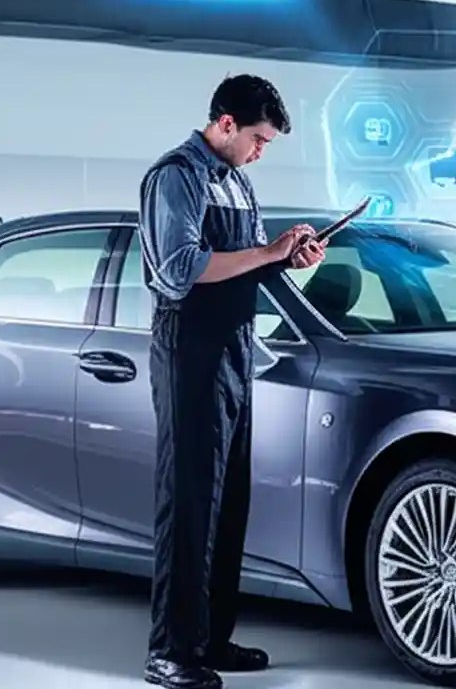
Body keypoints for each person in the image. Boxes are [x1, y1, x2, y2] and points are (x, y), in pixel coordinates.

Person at [137, 74, 326, 689]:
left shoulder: (238, 182)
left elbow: (247, 269)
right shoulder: (177, 176)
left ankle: (210, 641)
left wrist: (289, 258)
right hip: (188, 346)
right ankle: (170, 653)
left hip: (236, 348)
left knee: (227, 502)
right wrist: (267, 252)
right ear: (224, 124)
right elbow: (179, 270)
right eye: (257, 138)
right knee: (188, 503)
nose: (259, 151)